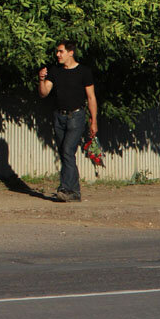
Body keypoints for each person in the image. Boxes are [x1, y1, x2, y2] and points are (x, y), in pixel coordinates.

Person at [38, 39, 98, 202]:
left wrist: (94, 121)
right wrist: (42, 79)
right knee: (66, 153)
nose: (58, 54)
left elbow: (91, 97)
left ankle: (65, 188)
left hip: (76, 116)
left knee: (67, 150)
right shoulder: (55, 71)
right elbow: (44, 93)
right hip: (59, 116)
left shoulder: (84, 71)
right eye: (57, 52)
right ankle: (75, 192)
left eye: (61, 51)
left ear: (71, 53)